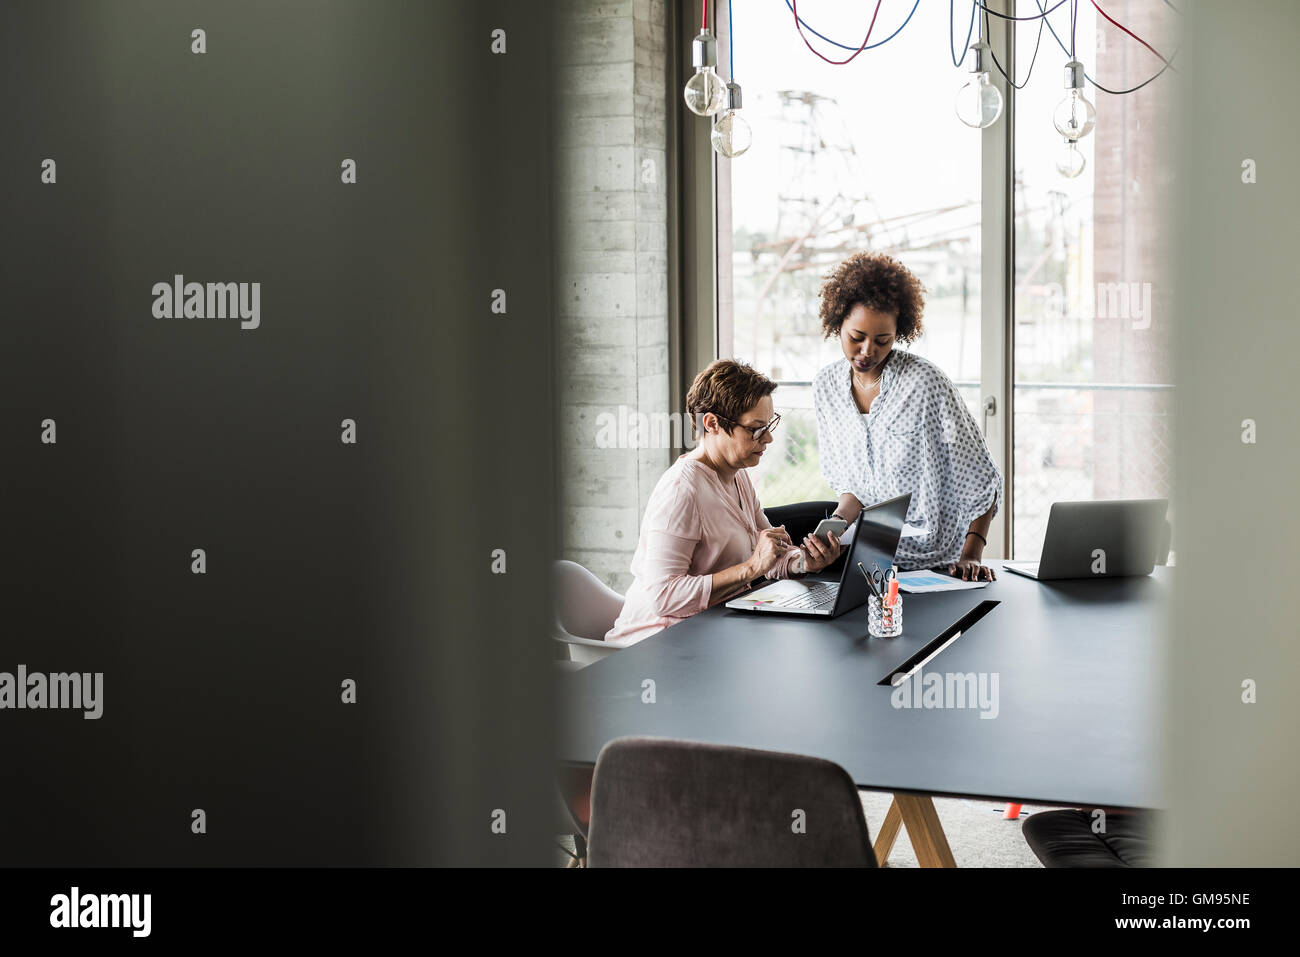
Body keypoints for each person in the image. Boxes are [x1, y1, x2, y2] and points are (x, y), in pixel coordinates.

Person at [605, 359, 843, 645]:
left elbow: (769, 558)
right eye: (755, 428)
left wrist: (803, 562)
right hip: (656, 643)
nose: (767, 438)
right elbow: (663, 597)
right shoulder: (682, 491)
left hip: (709, 632)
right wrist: (750, 568)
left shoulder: (737, 476)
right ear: (712, 423)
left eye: (769, 425)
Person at [812, 251, 1003, 580]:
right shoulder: (826, 388)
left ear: (898, 333)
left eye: (882, 340)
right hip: (866, 562)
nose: (868, 351)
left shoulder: (926, 384)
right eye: (856, 338)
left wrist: (971, 554)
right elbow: (854, 490)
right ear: (837, 323)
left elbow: (981, 481)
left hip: (936, 564)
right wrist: (830, 532)